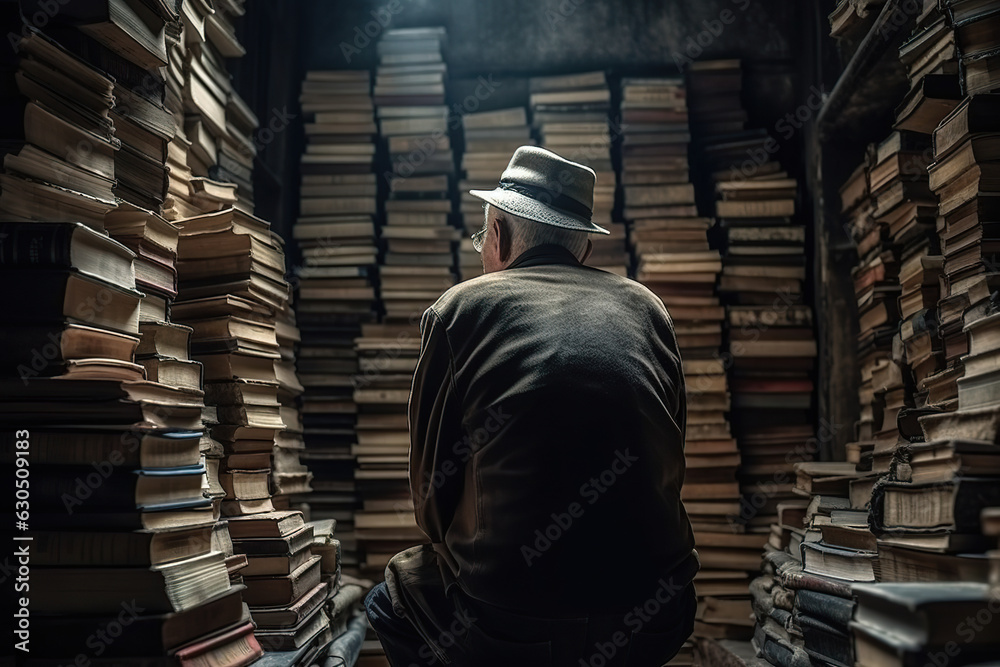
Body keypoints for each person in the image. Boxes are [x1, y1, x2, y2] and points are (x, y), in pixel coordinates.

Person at [364, 146, 698, 667]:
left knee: (389, 600)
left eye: (482, 238)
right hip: (653, 619)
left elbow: (431, 499)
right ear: (583, 247)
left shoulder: (461, 309)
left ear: (496, 235)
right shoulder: (649, 309)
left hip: (509, 630)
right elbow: (670, 464)